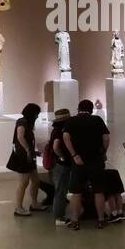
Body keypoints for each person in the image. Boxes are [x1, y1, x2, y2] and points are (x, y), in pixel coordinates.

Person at [62, 99, 110, 230]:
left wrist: (74, 155)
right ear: (91, 109)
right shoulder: (97, 120)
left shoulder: (71, 121)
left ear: (78, 109)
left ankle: (75, 221)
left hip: (78, 161)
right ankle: (101, 220)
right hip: (96, 160)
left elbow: (66, 137)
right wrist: (103, 152)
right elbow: (106, 138)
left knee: (76, 192)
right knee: (98, 191)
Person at [7, 103, 43, 216]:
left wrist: (32, 152)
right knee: (24, 182)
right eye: (37, 114)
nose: (37, 116)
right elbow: (20, 136)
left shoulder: (27, 123)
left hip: (28, 155)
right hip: (22, 156)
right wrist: (27, 149)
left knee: (35, 181)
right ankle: (18, 208)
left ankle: (34, 203)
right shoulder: (22, 122)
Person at [47, 108, 73, 226]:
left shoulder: (55, 130)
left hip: (57, 164)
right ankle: (59, 217)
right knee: (61, 191)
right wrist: (62, 157)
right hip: (61, 165)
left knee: (60, 190)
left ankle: (59, 215)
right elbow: (56, 146)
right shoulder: (60, 131)